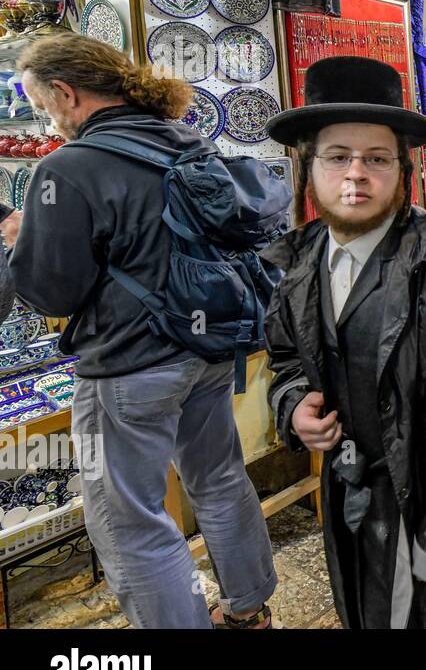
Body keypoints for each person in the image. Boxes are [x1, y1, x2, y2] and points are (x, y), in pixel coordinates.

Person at [9, 35, 277, 628]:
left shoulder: (67, 169)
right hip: (208, 351)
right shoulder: (186, 140)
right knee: (219, 477)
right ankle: (250, 607)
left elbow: (52, 291)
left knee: (130, 520)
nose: (44, 118)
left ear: (66, 93)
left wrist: (22, 239)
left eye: (40, 104)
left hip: (130, 366)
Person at [261, 56, 426, 628]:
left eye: (376, 159)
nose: (355, 176)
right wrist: (292, 407)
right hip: (352, 511)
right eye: (337, 157)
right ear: (308, 166)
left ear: (403, 170)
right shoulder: (297, 264)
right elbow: (286, 359)